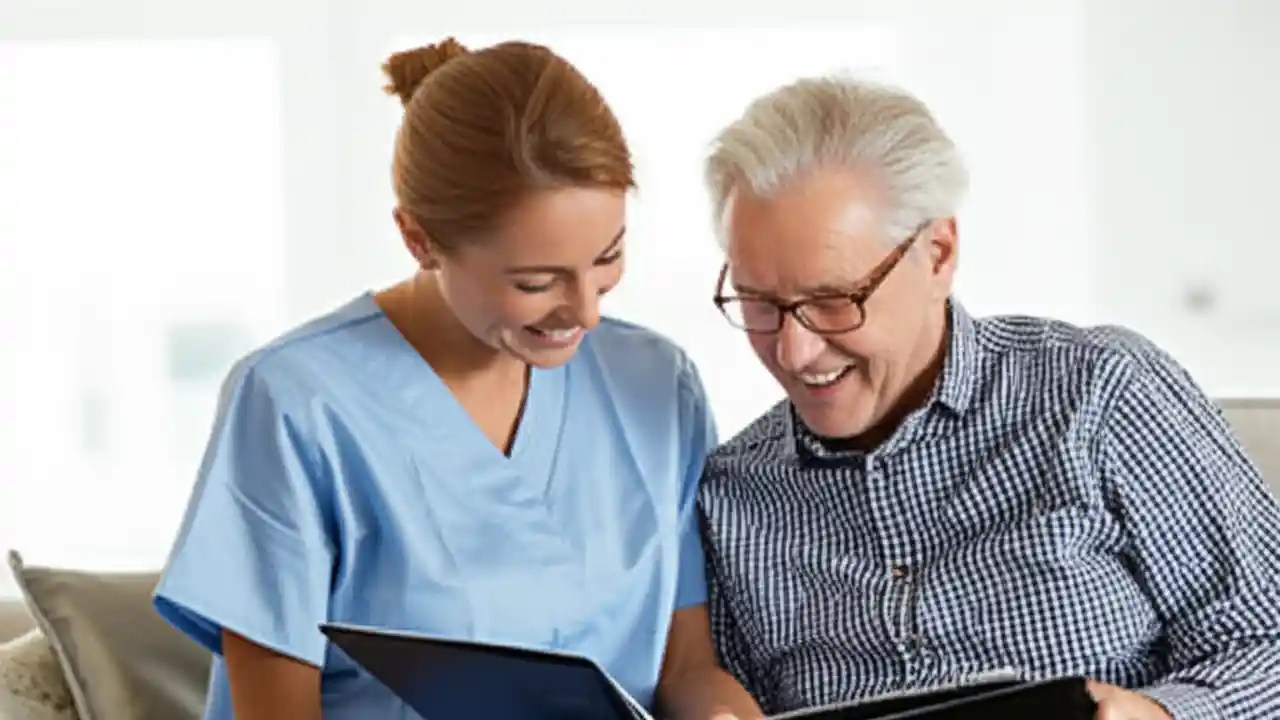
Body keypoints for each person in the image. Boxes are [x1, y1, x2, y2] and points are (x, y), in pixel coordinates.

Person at [151, 37, 761, 720]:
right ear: (419, 239)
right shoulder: (296, 404)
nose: (586, 310)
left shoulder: (656, 383)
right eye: (536, 282)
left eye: (608, 258)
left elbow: (686, 670)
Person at [695, 74, 1280, 720]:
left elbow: (1267, 641)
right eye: (758, 303)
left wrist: (1162, 716)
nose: (793, 352)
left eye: (834, 301)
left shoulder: (1099, 395)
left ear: (938, 253)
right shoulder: (731, 494)